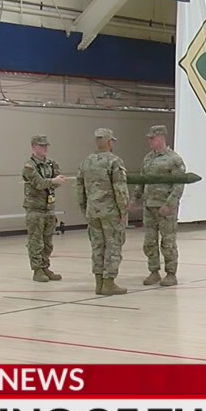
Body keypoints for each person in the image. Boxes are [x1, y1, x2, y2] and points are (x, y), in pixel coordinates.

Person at [77, 128, 130, 295]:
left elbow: (80, 189)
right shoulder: (114, 161)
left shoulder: (86, 162)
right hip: (110, 212)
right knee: (113, 246)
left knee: (97, 247)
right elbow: (120, 189)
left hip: (93, 211)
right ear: (108, 142)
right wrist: (123, 210)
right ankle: (109, 282)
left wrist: (85, 208)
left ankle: (98, 282)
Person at [136, 124, 186, 286]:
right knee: (149, 241)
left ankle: (171, 273)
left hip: (165, 208)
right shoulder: (148, 158)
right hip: (149, 206)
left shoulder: (174, 159)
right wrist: (134, 199)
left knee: (168, 241)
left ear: (162, 138)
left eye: (153, 138)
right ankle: (154, 271)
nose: (150, 141)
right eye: (149, 138)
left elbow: (179, 184)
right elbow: (142, 180)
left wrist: (170, 204)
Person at [23, 135, 67, 283]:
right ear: (34, 147)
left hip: (49, 207)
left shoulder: (51, 164)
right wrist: (52, 181)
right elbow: (39, 183)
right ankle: (37, 270)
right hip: (35, 207)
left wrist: (52, 182)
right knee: (36, 241)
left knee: (47, 240)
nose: (45, 148)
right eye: (41, 146)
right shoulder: (29, 166)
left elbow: (57, 180)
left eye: (46, 146)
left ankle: (45, 266)